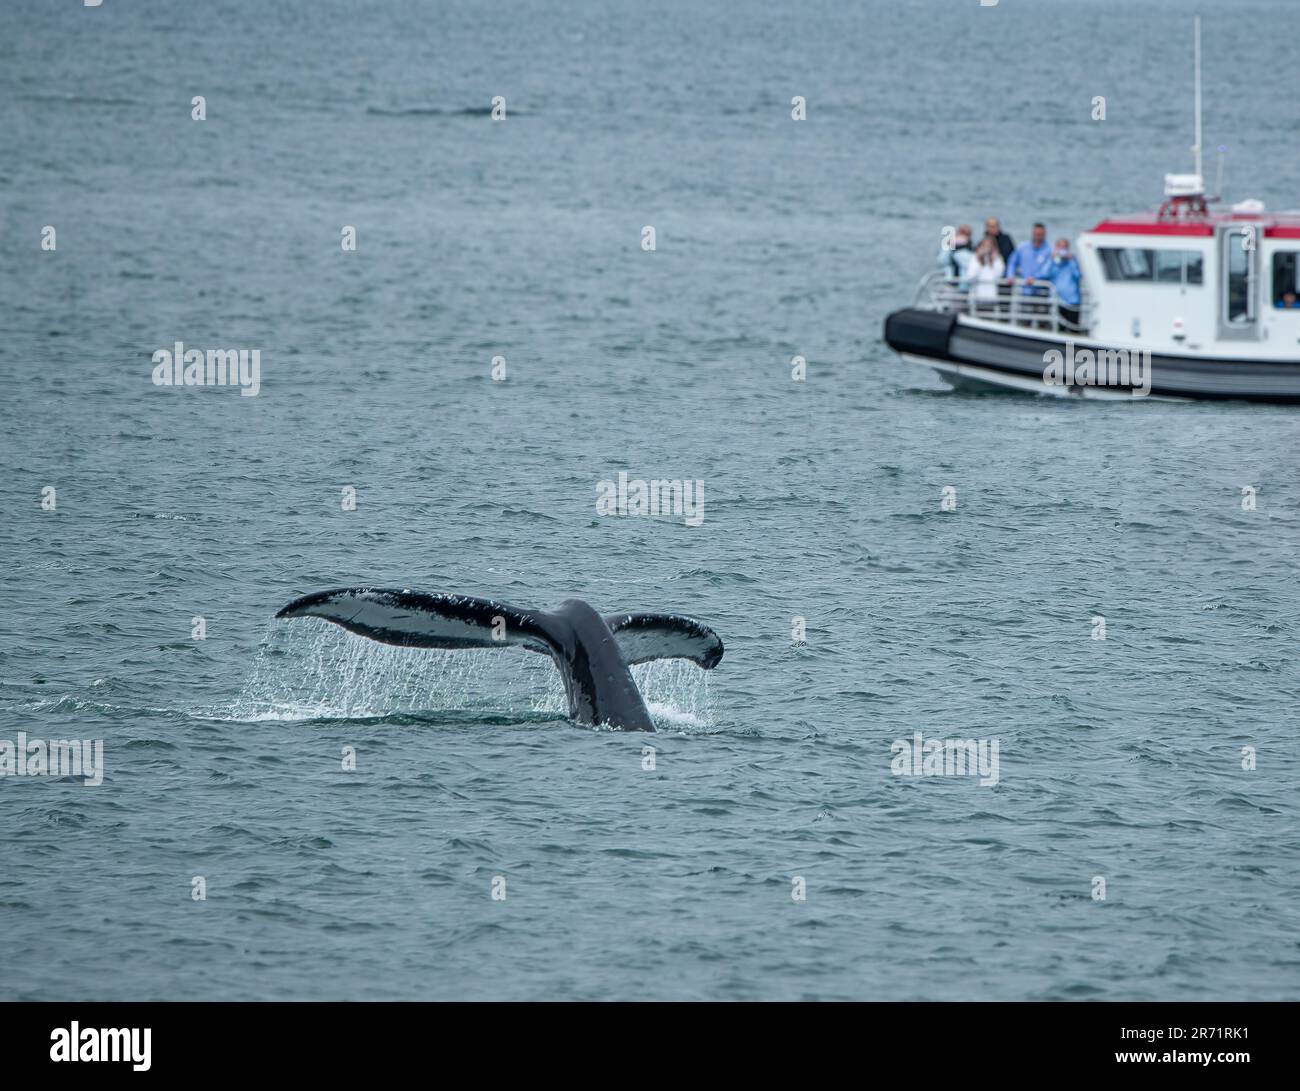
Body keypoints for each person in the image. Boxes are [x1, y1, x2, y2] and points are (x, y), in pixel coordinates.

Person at [1005, 223, 1054, 324]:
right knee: (1024, 320)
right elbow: (1012, 262)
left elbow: (1050, 269)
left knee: (1043, 321)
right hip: (1026, 291)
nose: (1038, 236)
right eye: (1036, 234)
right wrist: (1010, 276)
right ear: (1032, 233)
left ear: (1045, 234)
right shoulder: (1022, 248)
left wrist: (1036, 278)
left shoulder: (1050, 250)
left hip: (1042, 292)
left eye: (1041, 234)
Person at [1045, 237, 1082, 328]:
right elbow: (1044, 274)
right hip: (1057, 302)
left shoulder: (1072, 262)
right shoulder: (1053, 263)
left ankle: (1070, 343)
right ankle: (1059, 343)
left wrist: (1071, 260)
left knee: (1072, 331)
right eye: (1060, 248)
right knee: (1058, 329)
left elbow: (1078, 276)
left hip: (1072, 301)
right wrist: (1051, 259)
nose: (1062, 251)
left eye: (1064, 248)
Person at [967, 236, 1005, 315]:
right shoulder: (975, 258)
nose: (987, 249)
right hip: (977, 299)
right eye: (985, 246)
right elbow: (970, 277)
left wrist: (993, 262)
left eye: (989, 246)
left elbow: (999, 275)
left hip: (991, 299)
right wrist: (980, 261)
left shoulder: (997, 259)